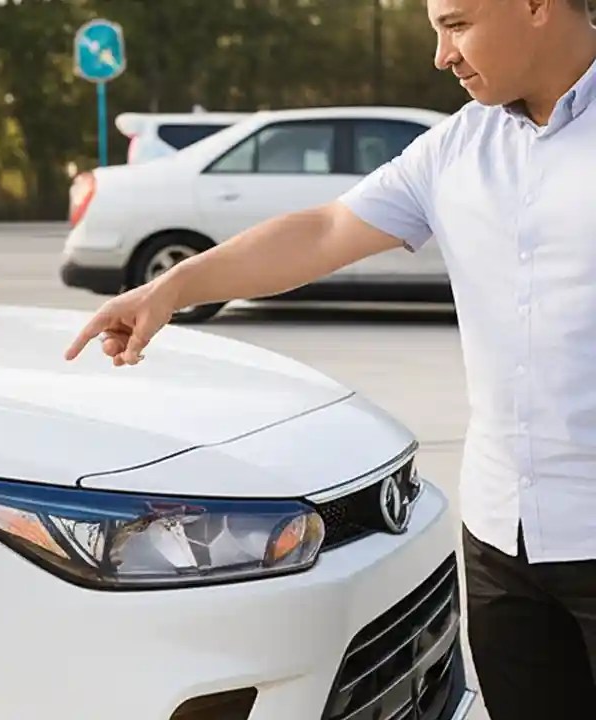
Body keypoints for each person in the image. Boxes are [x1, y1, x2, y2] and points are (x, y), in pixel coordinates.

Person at [64, 0, 596, 717]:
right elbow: (323, 230)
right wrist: (172, 288)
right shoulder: (456, 149)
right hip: (504, 540)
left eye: (457, 24)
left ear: (536, 5)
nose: (442, 56)